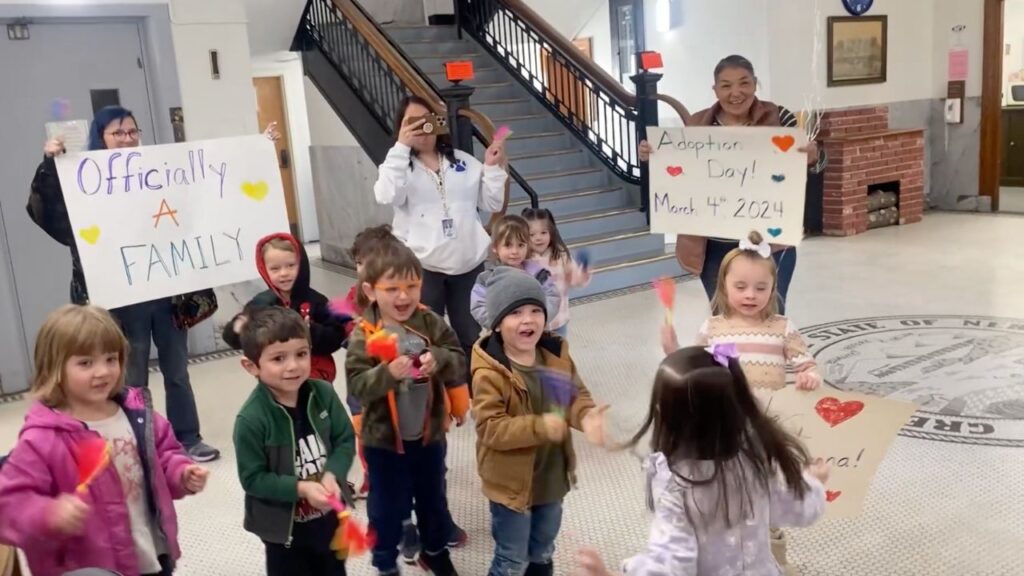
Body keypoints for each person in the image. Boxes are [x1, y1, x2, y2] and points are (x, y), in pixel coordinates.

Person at [27, 105, 219, 461]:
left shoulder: (159, 171)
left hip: (168, 289)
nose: (127, 139)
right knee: (130, 373)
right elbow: (49, 214)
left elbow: (191, 210)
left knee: (177, 369)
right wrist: (51, 164)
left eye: (132, 132)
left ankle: (186, 438)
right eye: (117, 133)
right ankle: (137, 441)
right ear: (101, 138)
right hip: (120, 295)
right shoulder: (84, 179)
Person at [574, 345, 829, 576]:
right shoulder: (754, 455)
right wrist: (812, 482)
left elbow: (670, 566)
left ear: (671, 418)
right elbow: (795, 510)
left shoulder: (676, 483)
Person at [0, 304, 208, 576]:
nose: (102, 372)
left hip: (152, 551)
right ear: (54, 368)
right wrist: (48, 513)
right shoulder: (43, 437)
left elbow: (165, 454)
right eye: (85, 363)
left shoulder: (138, 415)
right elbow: (10, 502)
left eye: (111, 359)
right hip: (90, 565)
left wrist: (182, 473)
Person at [661, 230, 821, 572]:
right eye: (741, 287)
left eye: (761, 288)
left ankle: (772, 561)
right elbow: (697, 369)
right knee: (733, 486)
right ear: (724, 286)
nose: (751, 295)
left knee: (769, 488)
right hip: (728, 427)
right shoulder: (714, 328)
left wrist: (809, 373)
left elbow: (803, 358)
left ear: (773, 288)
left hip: (769, 426)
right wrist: (674, 351)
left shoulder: (782, 327)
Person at [638, 55, 826, 314]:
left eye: (744, 83)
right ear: (715, 89)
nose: (735, 92)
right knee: (725, 322)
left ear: (755, 84)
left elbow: (815, 166)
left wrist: (814, 157)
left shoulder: (779, 117)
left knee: (771, 317)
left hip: (770, 239)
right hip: (714, 246)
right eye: (726, 85)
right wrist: (653, 157)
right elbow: (681, 176)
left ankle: (768, 356)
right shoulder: (696, 124)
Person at [471, 267, 608, 576]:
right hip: (511, 487)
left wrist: (587, 417)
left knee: (543, 550)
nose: (528, 319)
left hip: (551, 479)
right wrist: (541, 426)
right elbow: (491, 429)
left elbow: (576, 395)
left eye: (535, 310)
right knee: (512, 559)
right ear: (496, 323)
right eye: (515, 312)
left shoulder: (555, 354)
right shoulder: (489, 372)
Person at [345, 241, 470, 576]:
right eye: (392, 288)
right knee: (387, 508)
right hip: (384, 443)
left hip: (428, 435)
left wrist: (439, 359)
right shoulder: (364, 334)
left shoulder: (429, 321)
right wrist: (387, 374)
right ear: (370, 291)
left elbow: (457, 356)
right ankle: (385, 561)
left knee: (432, 500)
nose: (404, 297)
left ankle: (434, 550)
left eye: (412, 286)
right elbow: (356, 385)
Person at [374, 95, 509, 378]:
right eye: (411, 122)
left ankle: (476, 389)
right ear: (400, 128)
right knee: (423, 335)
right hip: (422, 266)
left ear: (438, 123)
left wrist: (493, 168)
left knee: (470, 331)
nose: (421, 128)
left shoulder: (463, 162)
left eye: (426, 120)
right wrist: (401, 147)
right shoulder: (397, 167)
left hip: (467, 263)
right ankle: (432, 392)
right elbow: (387, 195)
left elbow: (492, 203)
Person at [233, 306, 356, 576]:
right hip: (284, 532)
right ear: (251, 366)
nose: (293, 366)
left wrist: (333, 474)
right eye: (278, 358)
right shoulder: (251, 420)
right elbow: (252, 479)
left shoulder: (323, 393)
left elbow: (345, 440)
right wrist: (301, 488)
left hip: (329, 520)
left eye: (301, 354)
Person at [222, 233, 347, 382]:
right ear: (264, 270)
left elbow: (336, 337)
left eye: (290, 265)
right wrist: (237, 329)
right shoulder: (261, 304)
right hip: (276, 379)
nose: (284, 273)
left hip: (315, 378)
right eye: (275, 269)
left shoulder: (317, 301)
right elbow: (236, 339)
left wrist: (310, 331)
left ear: (302, 265)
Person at [470, 215, 560, 332]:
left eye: (521, 245)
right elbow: (478, 305)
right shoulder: (487, 278)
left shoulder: (538, 273)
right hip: (502, 334)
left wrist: (539, 319)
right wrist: (497, 323)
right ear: (495, 247)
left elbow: (553, 297)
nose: (515, 251)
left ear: (528, 246)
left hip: (534, 332)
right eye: (508, 245)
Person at [522, 208, 592, 338]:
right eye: (532, 235)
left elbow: (576, 280)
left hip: (558, 320)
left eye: (543, 232)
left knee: (558, 356)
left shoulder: (562, 256)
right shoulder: (523, 261)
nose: (538, 238)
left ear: (552, 232)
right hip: (531, 324)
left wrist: (581, 273)